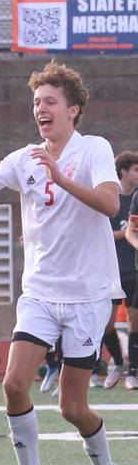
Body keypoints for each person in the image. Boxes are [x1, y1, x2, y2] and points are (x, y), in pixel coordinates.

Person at [0, 60, 121, 465]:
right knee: (14, 383)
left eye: (50, 101)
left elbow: (111, 205)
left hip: (87, 294)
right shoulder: (23, 158)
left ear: (73, 109)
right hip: (38, 292)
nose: (41, 109)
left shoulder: (94, 148)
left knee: (72, 407)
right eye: (37, 102)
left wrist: (61, 177)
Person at [109, 150, 138, 389]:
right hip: (110, 271)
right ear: (124, 172)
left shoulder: (136, 199)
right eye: (136, 170)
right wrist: (124, 233)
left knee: (134, 321)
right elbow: (102, 234)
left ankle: (132, 372)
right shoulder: (110, 197)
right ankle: (117, 362)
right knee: (105, 325)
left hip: (134, 270)